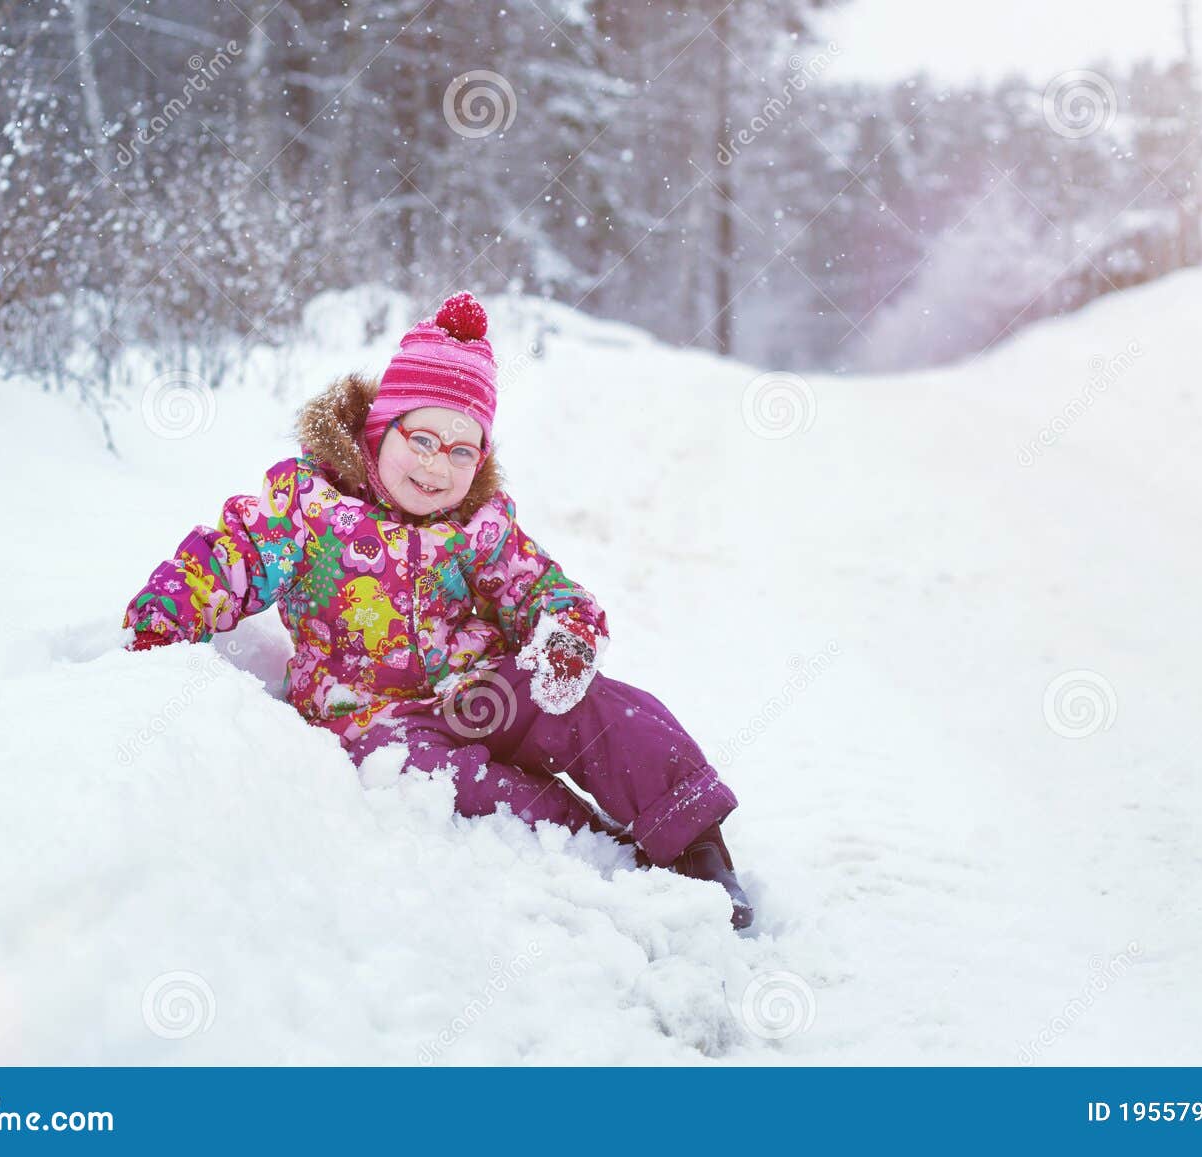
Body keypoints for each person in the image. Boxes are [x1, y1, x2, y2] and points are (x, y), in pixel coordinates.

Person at [121, 293, 753, 929]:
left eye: (460, 450)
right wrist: (167, 614)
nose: (436, 465)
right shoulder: (308, 508)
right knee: (449, 782)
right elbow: (233, 558)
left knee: (606, 709)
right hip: (371, 714)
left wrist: (565, 634)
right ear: (379, 428)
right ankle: (595, 845)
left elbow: (539, 587)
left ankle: (698, 845)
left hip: (479, 687)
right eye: (421, 438)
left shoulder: (478, 523)